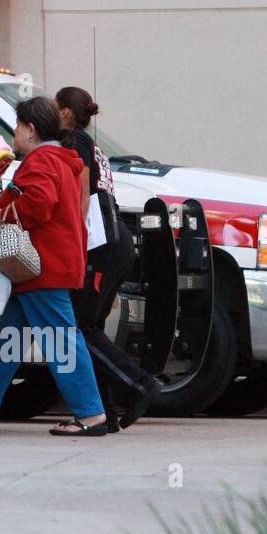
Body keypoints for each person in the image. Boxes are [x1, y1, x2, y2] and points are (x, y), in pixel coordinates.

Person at [0, 95, 109, 436]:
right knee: (10, 340)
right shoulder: (62, 159)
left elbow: (37, 205)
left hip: (40, 266)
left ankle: (91, 414)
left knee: (60, 339)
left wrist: (0, 215)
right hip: (46, 262)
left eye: (18, 127)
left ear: (30, 129)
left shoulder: (41, 161)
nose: (15, 134)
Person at [56, 86, 161, 431]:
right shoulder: (89, 142)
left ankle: (138, 386)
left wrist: (74, 243)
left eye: (55, 108)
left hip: (100, 248)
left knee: (81, 327)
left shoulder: (74, 140)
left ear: (67, 113)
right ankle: (106, 410)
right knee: (89, 327)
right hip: (111, 243)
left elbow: (82, 195)